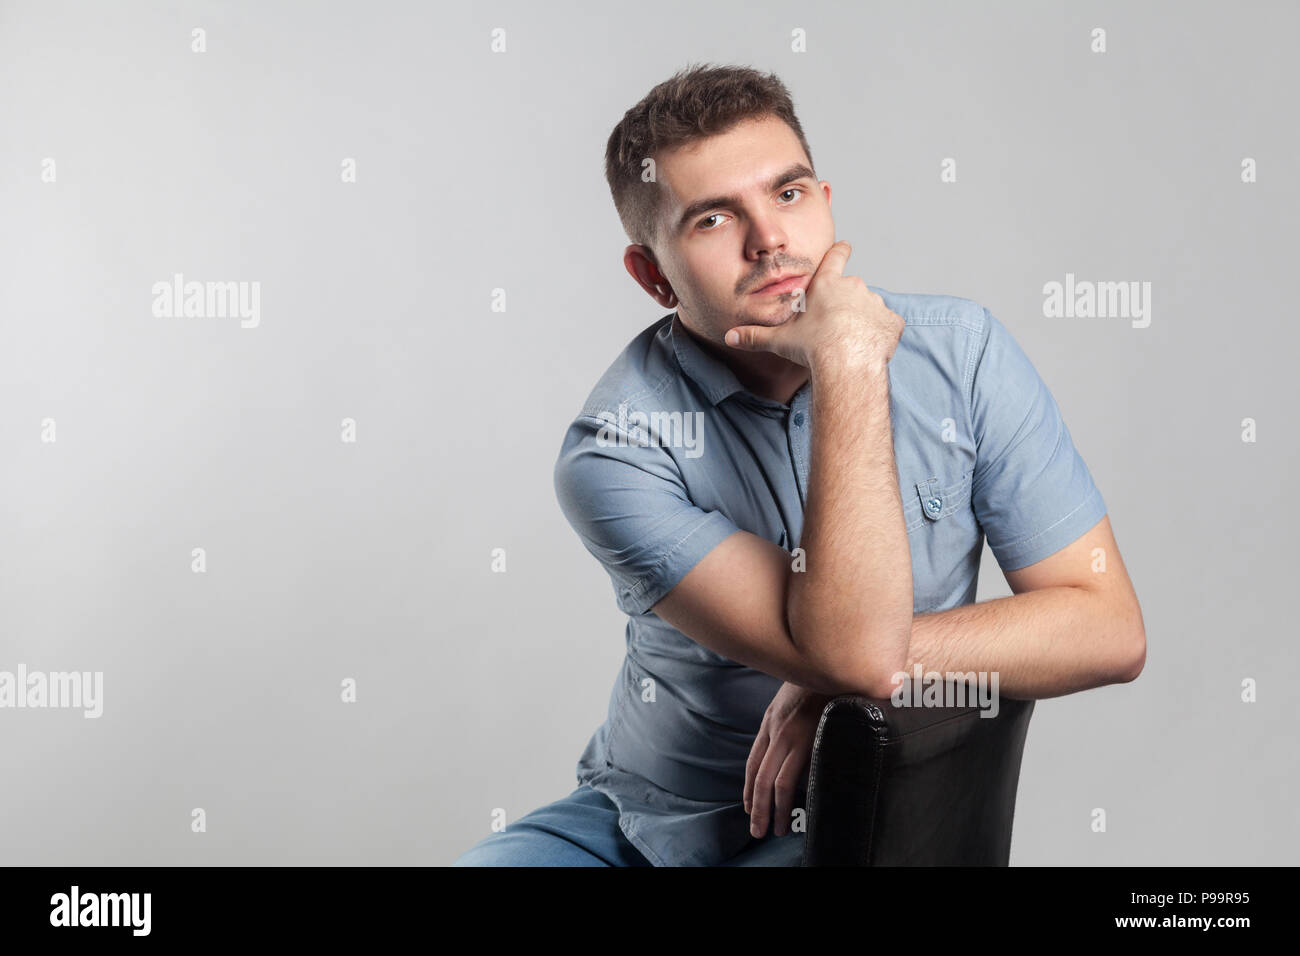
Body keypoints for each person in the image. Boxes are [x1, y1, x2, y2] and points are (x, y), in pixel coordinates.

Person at [453, 62, 1145, 867]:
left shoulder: (964, 356)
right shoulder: (618, 446)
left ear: (824, 201)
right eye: (713, 219)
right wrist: (850, 364)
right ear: (651, 275)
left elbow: (1108, 628)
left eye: (788, 194)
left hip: (869, 819)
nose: (770, 240)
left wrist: (846, 676)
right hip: (647, 819)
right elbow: (858, 654)